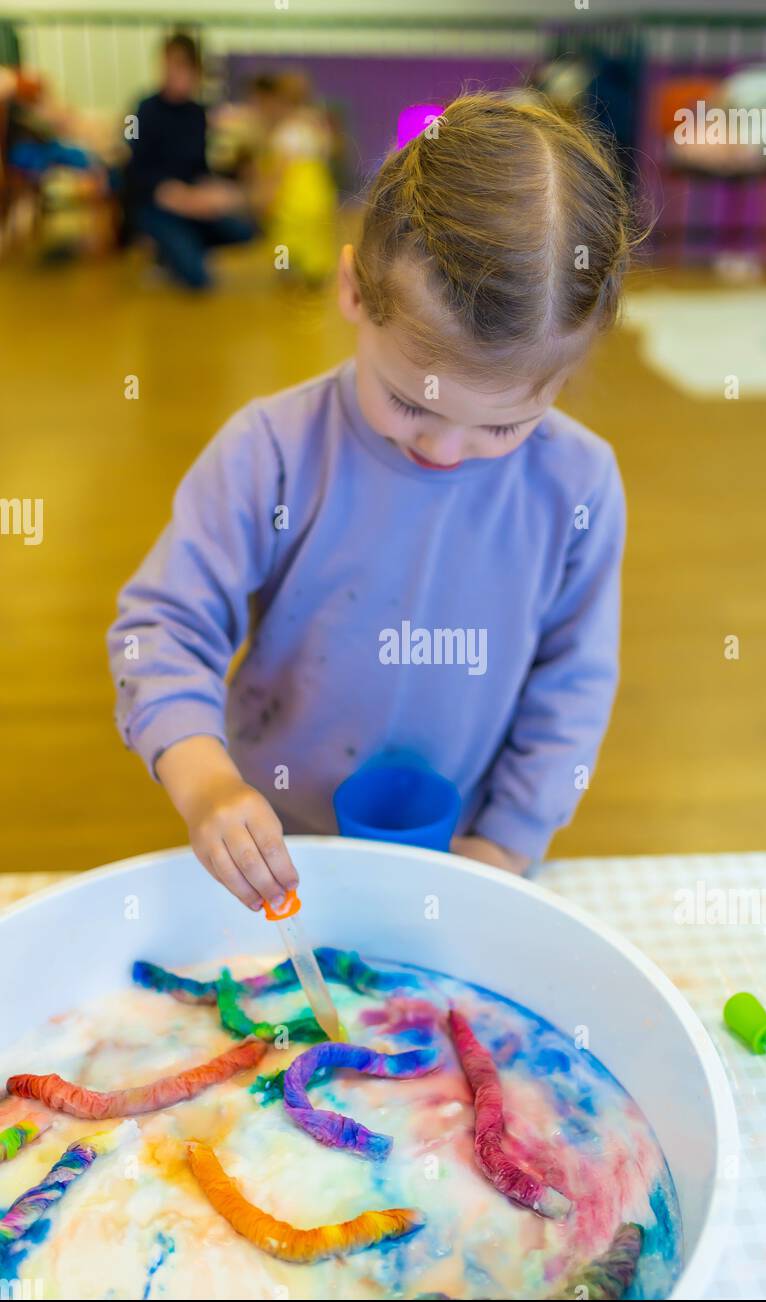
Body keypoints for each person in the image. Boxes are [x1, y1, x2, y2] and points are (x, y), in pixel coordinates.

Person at [108, 90, 633, 909]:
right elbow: (162, 626)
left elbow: (574, 682)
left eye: (503, 426)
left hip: (459, 853)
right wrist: (205, 783)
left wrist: (506, 841)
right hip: (275, 845)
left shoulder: (579, 485)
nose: (445, 450)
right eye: (413, 403)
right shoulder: (272, 451)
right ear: (353, 290)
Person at [128, 32, 255, 289]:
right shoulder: (145, 110)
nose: (178, 73)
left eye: (185, 66)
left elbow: (199, 167)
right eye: (172, 64)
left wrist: (215, 192)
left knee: (246, 229)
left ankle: (186, 243)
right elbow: (136, 171)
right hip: (157, 205)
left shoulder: (197, 113)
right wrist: (177, 196)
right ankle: (169, 250)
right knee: (198, 280)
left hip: (191, 199)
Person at [248, 70, 337, 286]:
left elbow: (279, 170)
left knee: (285, 243)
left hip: (292, 200)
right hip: (319, 195)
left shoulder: (285, 132)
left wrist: (266, 198)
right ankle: (315, 277)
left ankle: (286, 276)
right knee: (316, 242)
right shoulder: (315, 126)